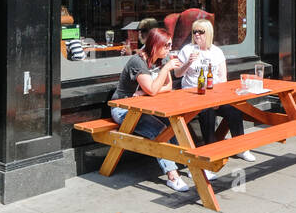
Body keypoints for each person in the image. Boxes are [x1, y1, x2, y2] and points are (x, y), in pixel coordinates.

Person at [109, 27, 206, 193]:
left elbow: (167, 87)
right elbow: (153, 90)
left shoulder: (162, 59)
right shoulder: (137, 61)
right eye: (166, 45)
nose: (169, 48)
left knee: (175, 125)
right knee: (160, 131)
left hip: (145, 106)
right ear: (155, 45)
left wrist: (144, 91)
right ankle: (172, 175)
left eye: (170, 45)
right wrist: (165, 70)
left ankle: (191, 166)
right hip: (123, 109)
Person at [175, 19, 254, 162]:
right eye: (195, 32)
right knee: (207, 112)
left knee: (234, 110)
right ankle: (211, 152)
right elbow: (177, 74)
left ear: (209, 33)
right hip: (193, 95)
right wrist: (188, 63)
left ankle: (241, 147)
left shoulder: (216, 52)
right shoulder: (187, 50)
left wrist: (218, 99)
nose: (197, 35)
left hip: (214, 94)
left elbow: (223, 78)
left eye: (201, 32)